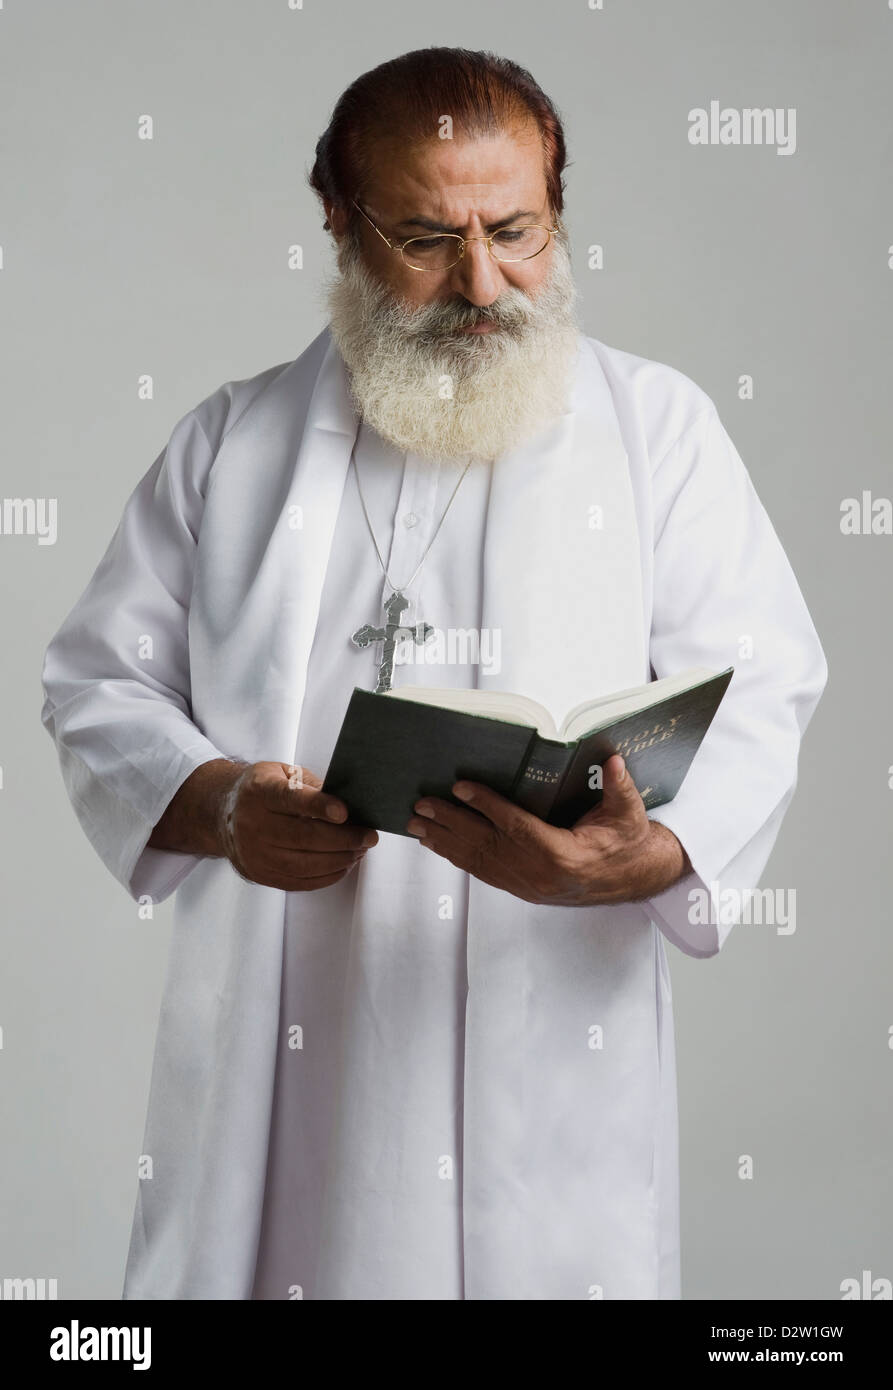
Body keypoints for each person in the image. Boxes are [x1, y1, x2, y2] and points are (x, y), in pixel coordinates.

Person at [40, 47, 827, 1300]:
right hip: (293, 1039)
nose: (480, 281)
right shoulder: (231, 446)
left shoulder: (654, 431)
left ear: (556, 211)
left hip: (554, 1011)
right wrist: (226, 806)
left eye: (512, 231)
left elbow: (762, 680)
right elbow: (96, 684)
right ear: (338, 223)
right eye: (422, 236)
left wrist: (653, 855)